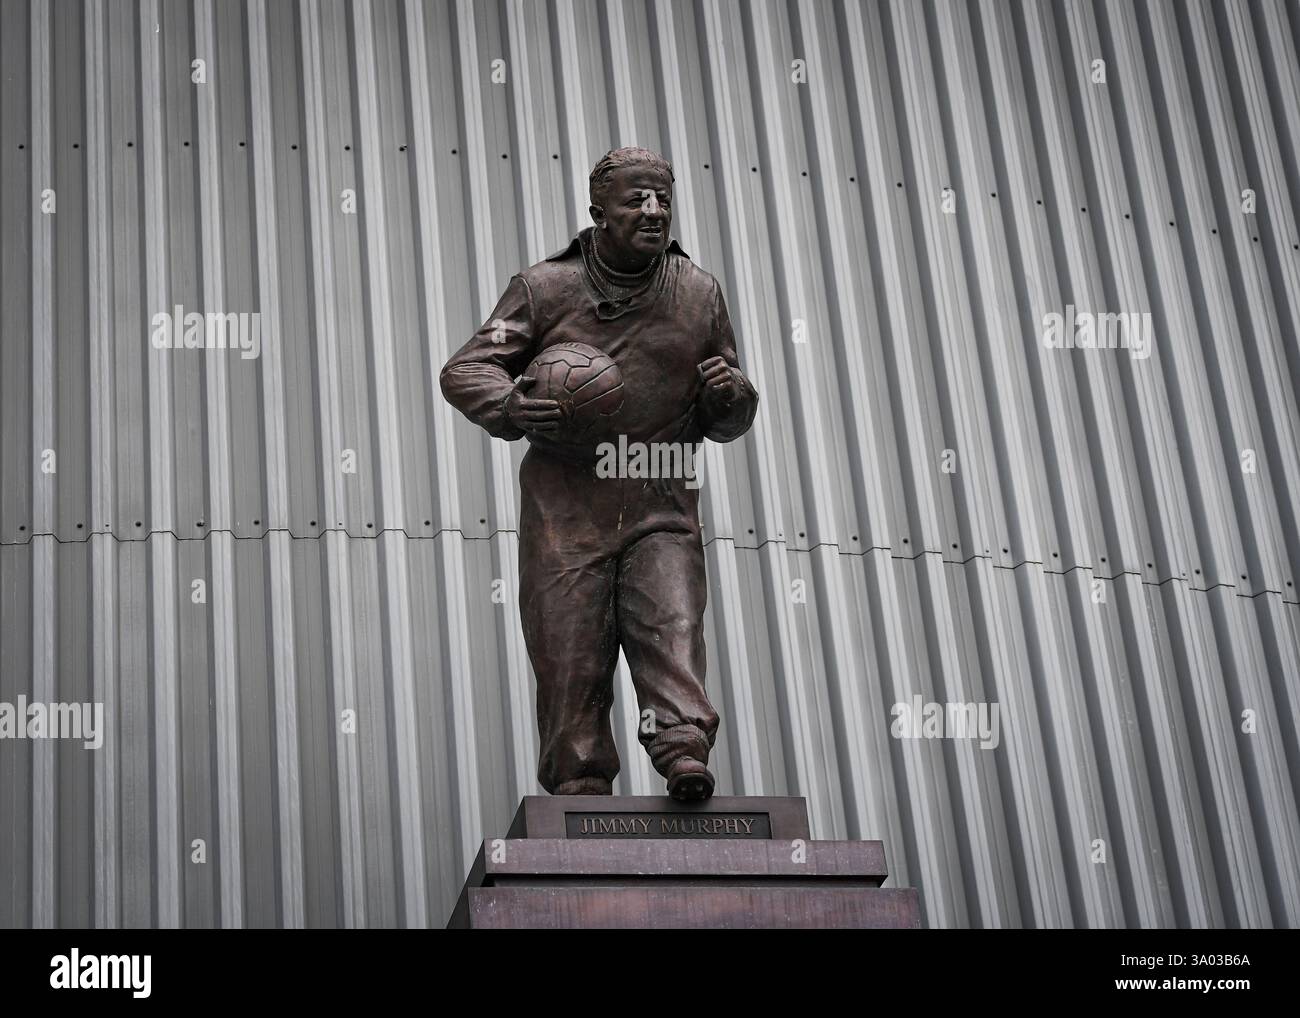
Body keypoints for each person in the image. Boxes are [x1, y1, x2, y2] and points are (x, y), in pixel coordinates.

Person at [440, 146, 758, 800]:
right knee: (570, 661)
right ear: (598, 214)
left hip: (660, 501)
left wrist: (733, 396)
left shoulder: (698, 295)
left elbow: (725, 414)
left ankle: (682, 750)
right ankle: (580, 788)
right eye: (636, 200)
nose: (653, 211)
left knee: (671, 627)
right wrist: (511, 405)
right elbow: (465, 369)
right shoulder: (542, 288)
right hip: (567, 513)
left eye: (662, 200)